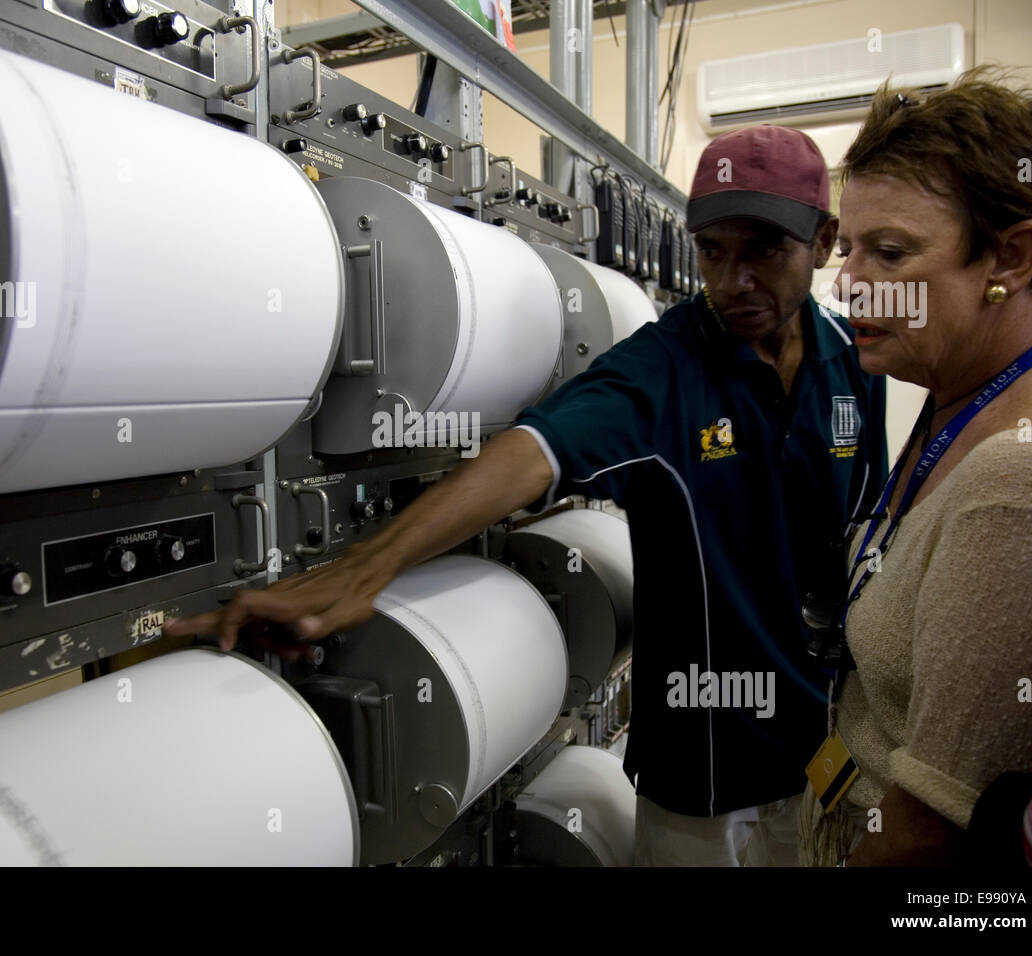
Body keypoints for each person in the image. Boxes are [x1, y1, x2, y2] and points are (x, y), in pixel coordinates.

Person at [165, 125, 888, 867]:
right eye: (712, 251)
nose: (733, 280)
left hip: (818, 749)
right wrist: (362, 572)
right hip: (701, 770)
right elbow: (531, 453)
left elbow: (860, 547)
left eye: (764, 251)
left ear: (824, 241)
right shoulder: (664, 369)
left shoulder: (855, 367)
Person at [799, 68, 1032, 866]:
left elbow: (929, 830)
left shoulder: (1027, 481)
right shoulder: (960, 389)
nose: (848, 284)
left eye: (888, 253)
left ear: (1014, 257)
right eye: (848, 249)